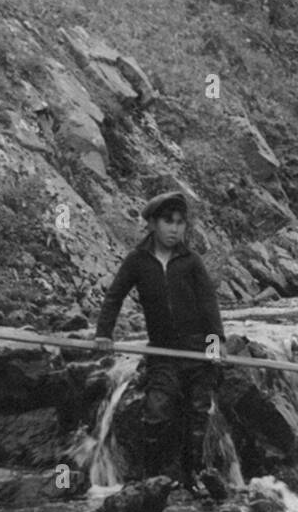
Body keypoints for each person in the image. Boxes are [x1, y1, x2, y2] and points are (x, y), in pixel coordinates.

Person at [93, 191, 226, 493]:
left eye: (180, 223)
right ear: (152, 223)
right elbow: (114, 297)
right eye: (168, 221)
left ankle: (195, 477)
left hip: (196, 353)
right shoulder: (137, 262)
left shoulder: (191, 261)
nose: (174, 228)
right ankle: (151, 479)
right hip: (162, 352)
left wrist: (216, 343)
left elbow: (208, 304)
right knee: (156, 412)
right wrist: (104, 334)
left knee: (197, 415)